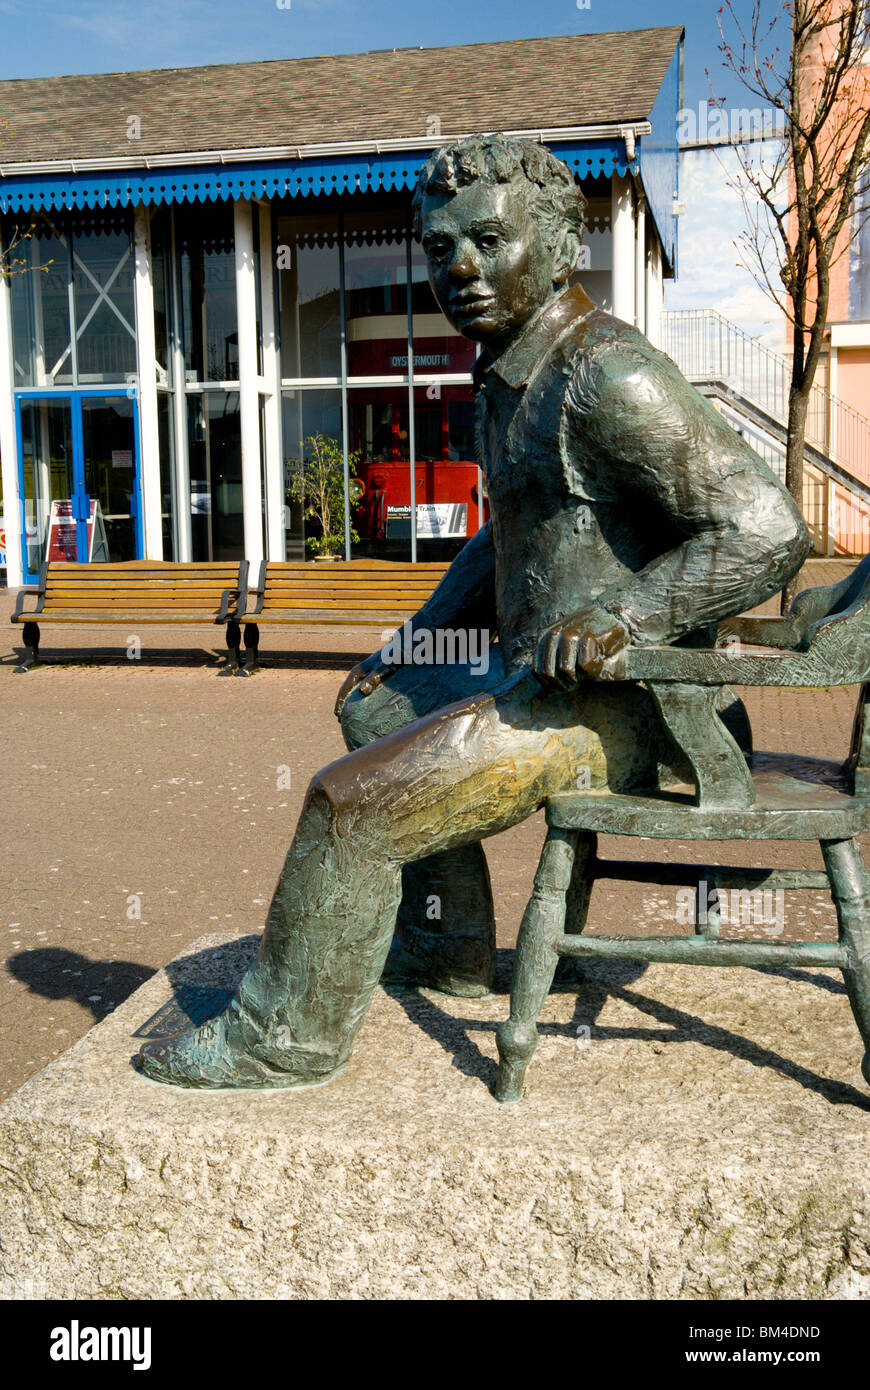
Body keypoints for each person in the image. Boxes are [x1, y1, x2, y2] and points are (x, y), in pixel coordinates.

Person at [138, 134, 810, 1089]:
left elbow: (769, 528)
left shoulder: (608, 375)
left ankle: (281, 1040)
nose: (459, 267)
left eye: (489, 242)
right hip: (543, 681)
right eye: (441, 246)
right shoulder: (508, 373)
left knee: (349, 804)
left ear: (562, 248)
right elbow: (509, 535)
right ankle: (446, 948)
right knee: (376, 706)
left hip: (623, 707)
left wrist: (623, 618)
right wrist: (418, 638)